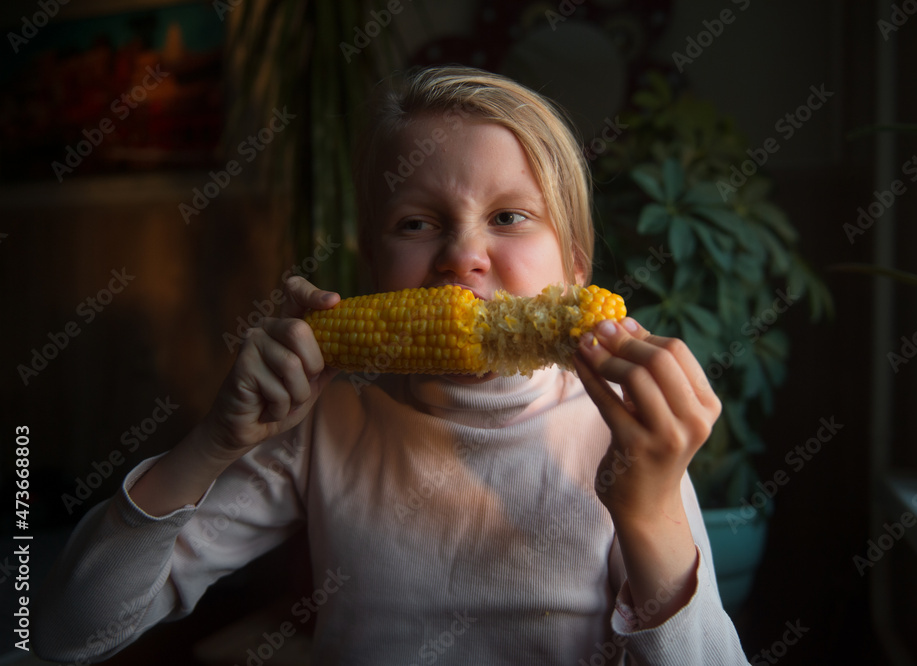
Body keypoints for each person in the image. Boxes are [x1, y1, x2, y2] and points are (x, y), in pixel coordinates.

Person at [35, 65, 750, 665]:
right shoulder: (326, 422)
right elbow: (67, 630)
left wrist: (650, 506)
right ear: (375, 268)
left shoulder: (620, 440)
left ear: (575, 269)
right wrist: (210, 447)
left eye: (510, 217)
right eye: (416, 222)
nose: (461, 255)